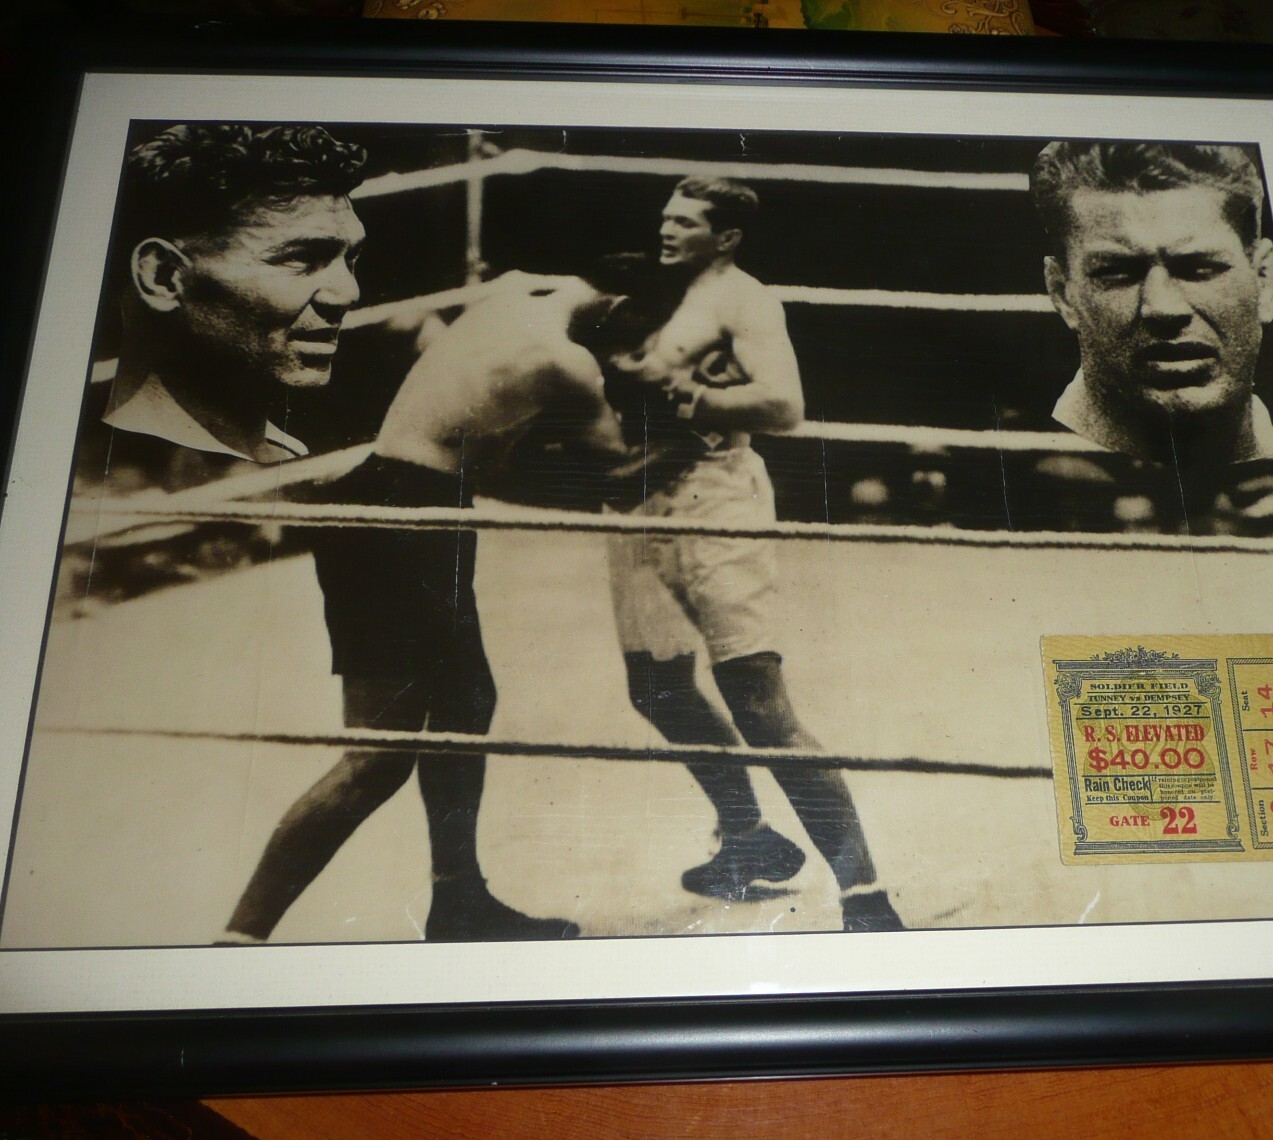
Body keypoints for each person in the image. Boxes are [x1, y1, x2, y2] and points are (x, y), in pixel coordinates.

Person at [222, 272, 632, 943]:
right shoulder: (571, 364)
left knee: (466, 700)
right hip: (407, 516)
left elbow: (424, 327)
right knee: (376, 757)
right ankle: (238, 939)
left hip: (409, 502)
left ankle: (460, 901)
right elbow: (620, 465)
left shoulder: (517, 294)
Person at [603, 177, 904, 933]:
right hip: (636, 501)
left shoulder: (744, 299)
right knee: (656, 686)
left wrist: (680, 400)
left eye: (686, 221)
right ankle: (745, 840)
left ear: (726, 236)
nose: (666, 229)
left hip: (714, 497)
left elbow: (784, 405)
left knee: (761, 706)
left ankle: (866, 897)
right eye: (664, 215)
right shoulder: (648, 288)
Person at [1027, 140, 1273, 536]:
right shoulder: (1012, 479)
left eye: (1199, 268)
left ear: (1265, 281)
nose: (1163, 308)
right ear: (1062, 293)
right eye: (1117, 271)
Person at [103, 123, 369, 465]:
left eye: (351, 258)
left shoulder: (291, 454)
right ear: (163, 277)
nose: (348, 293)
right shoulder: (115, 491)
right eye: (300, 258)